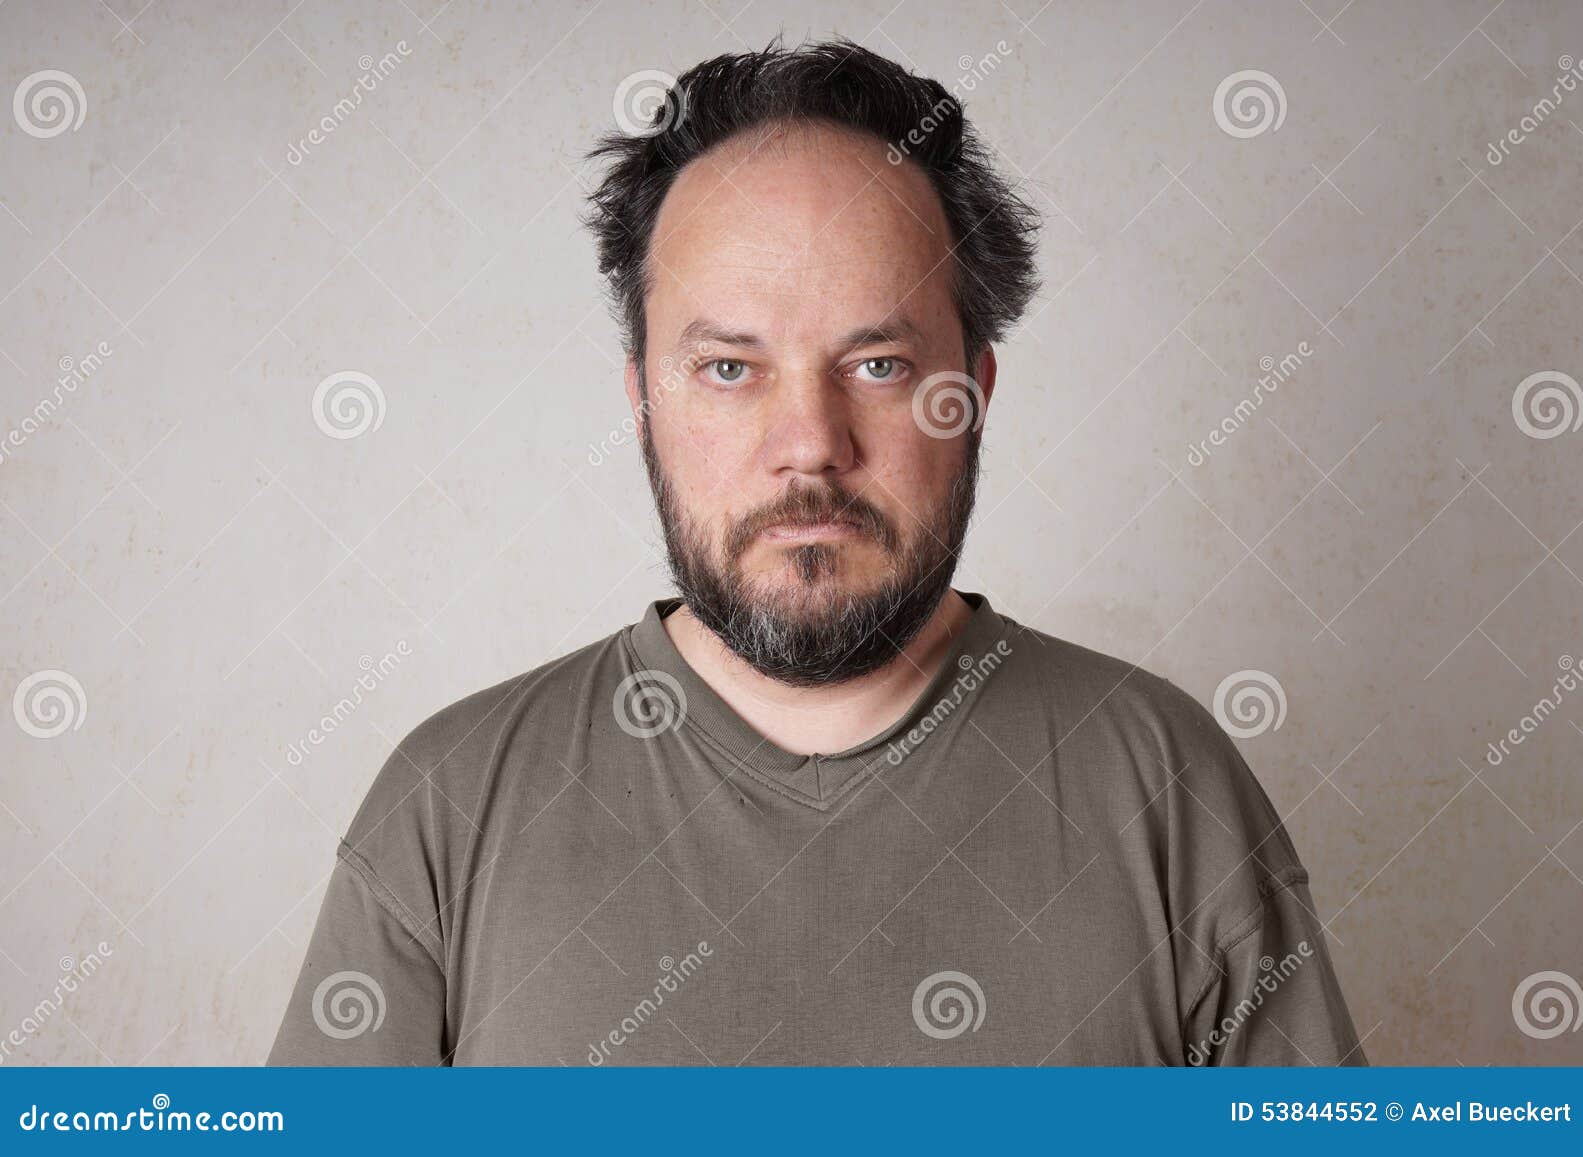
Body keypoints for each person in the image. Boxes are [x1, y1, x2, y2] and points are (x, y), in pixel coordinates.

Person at [267, 39, 1365, 1066]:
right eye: (730, 369)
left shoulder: (1166, 787)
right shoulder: (449, 806)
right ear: (644, 403)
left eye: (878, 363)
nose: (809, 447)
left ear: (969, 397)